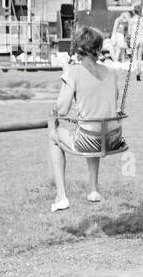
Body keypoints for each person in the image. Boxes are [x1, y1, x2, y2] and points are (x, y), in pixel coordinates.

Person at [49, 26, 125, 212]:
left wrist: (66, 73)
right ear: (98, 49)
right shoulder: (112, 72)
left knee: (53, 134)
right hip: (113, 139)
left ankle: (61, 197)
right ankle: (93, 190)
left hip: (91, 140)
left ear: (78, 49)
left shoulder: (74, 71)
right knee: (93, 128)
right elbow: (110, 103)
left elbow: (63, 109)